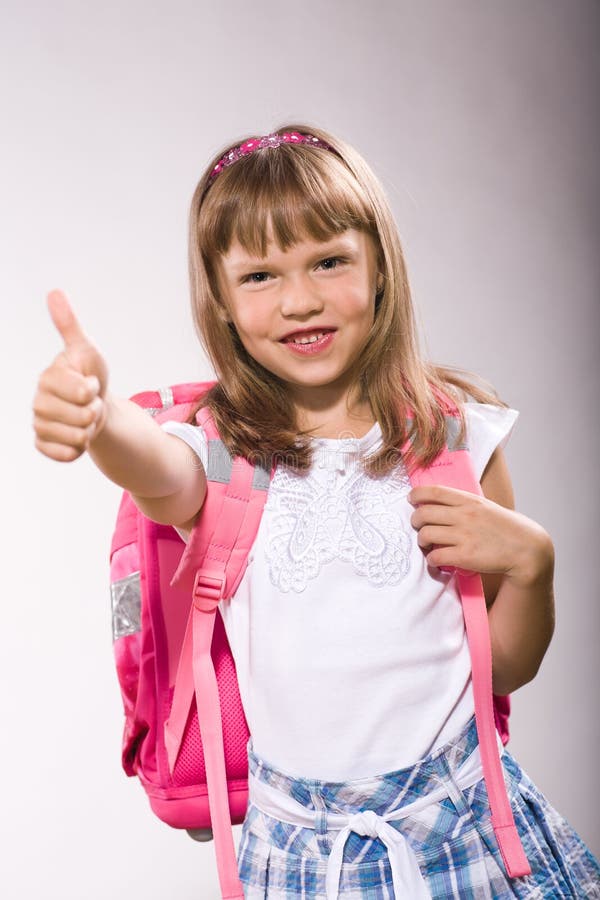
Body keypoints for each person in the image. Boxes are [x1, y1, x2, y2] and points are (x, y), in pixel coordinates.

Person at [33, 124, 600, 899]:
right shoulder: (222, 454)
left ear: (378, 270)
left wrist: (535, 564)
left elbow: (502, 667)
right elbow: (153, 466)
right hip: (301, 859)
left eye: (329, 261)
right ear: (222, 301)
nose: (301, 300)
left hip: (462, 830)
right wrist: (100, 417)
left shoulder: (455, 434)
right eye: (260, 276)